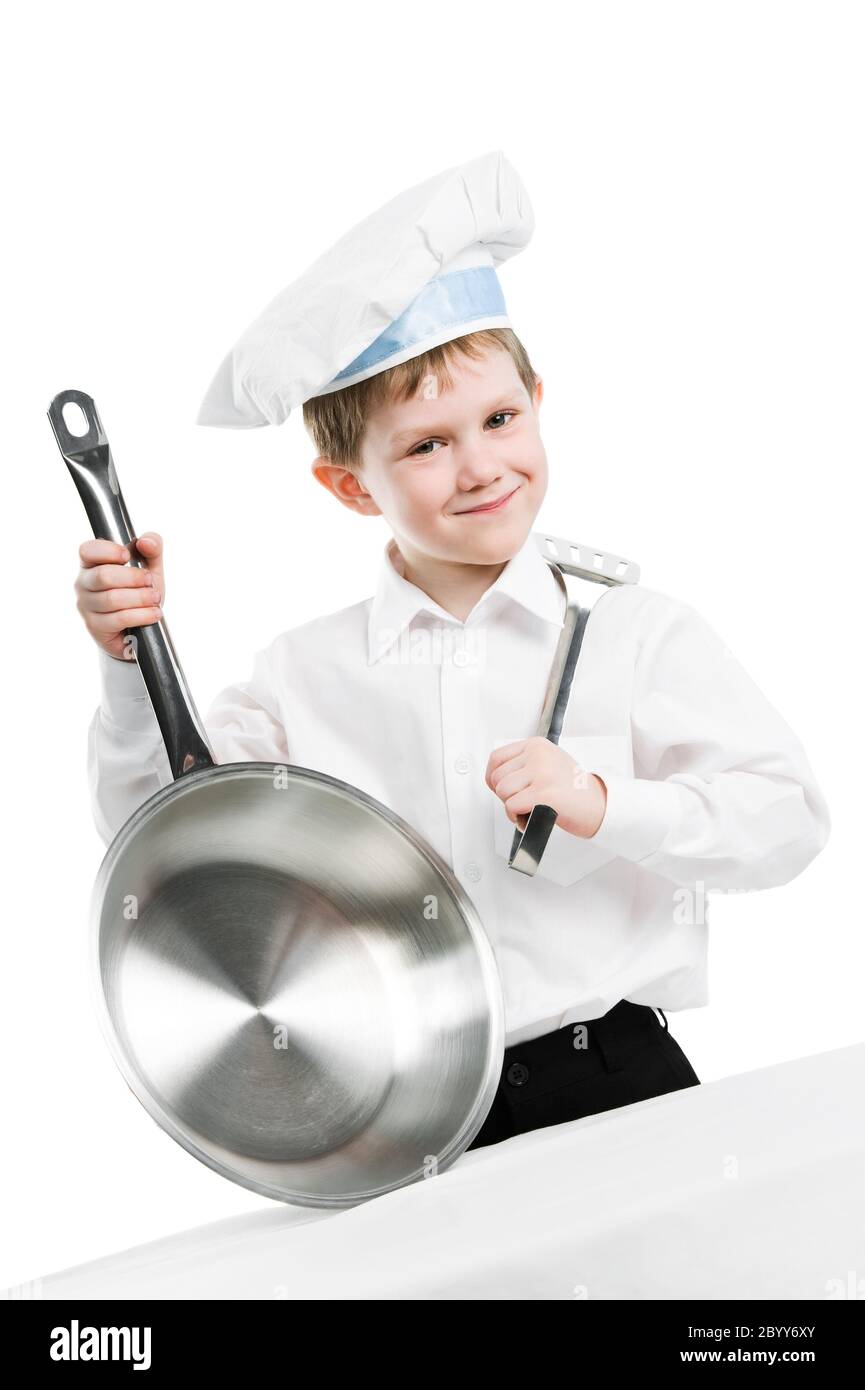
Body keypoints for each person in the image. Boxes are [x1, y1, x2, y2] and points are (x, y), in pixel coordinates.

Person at [74, 150, 830, 1152]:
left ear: (538, 401)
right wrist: (133, 666)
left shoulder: (634, 631)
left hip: (619, 1089)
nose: (480, 466)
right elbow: (166, 834)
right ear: (349, 486)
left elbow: (786, 821)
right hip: (403, 1128)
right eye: (426, 444)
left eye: (499, 418)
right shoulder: (302, 678)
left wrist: (610, 805)